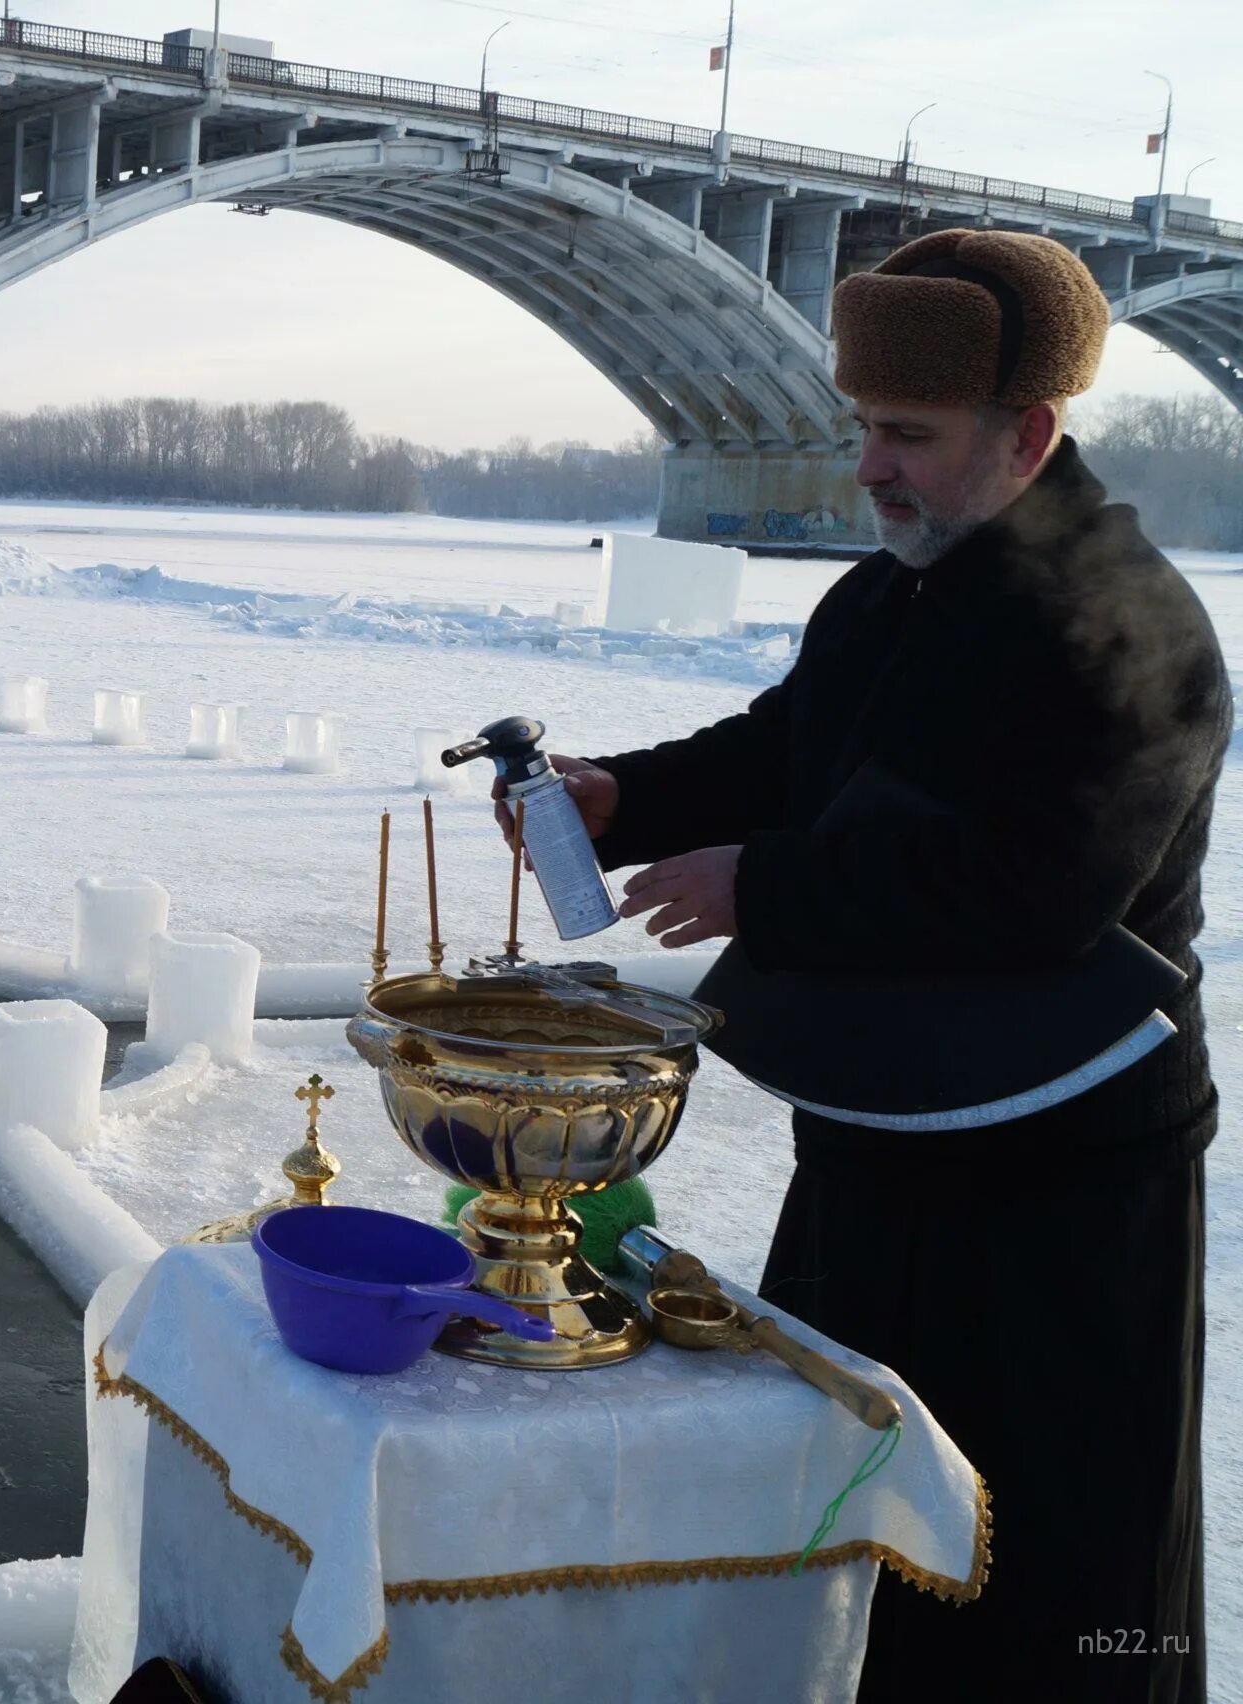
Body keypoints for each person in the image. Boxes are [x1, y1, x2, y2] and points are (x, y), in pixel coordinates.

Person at [516, 231, 1224, 1701]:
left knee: (1047, 1565)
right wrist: (628, 797)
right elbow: (790, 750)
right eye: (862, 426)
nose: (866, 468)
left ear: (1026, 435)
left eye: (907, 434)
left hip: (1059, 1191)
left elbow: (1036, 893)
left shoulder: (1136, 627)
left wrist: (762, 886)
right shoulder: (892, 589)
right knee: (849, 1512)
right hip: (878, 1140)